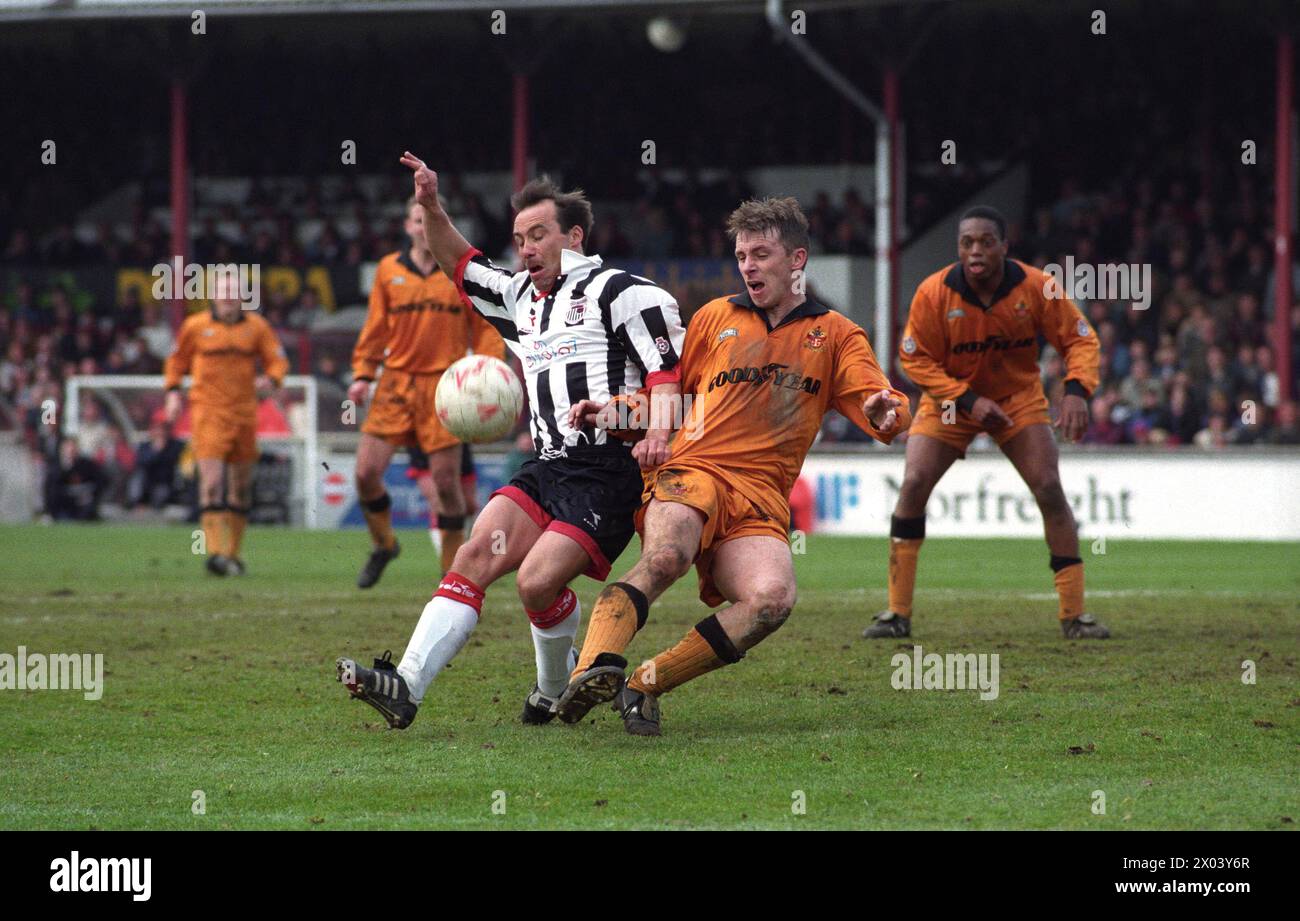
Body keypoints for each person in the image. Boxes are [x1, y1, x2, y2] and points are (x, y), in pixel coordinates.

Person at [335, 157, 686, 729]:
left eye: (538, 234)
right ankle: (407, 684)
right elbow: (460, 261)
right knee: (473, 554)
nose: (525, 248)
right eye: (519, 238)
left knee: (536, 582)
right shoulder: (520, 297)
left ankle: (552, 687)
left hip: (606, 472)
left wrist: (657, 432)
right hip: (546, 465)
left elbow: (666, 372)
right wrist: (429, 204)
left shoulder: (624, 293)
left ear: (574, 236)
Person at [555, 196, 909, 736]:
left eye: (760, 254)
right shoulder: (715, 318)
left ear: (797, 259)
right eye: (741, 255)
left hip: (761, 497)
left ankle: (647, 682)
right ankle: (590, 669)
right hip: (693, 471)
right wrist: (614, 411)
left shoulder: (837, 335)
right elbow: (673, 399)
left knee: (771, 600)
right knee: (667, 555)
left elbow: (881, 407)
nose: (747, 265)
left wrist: (888, 411)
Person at [863, 206, 1109, 641]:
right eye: (966, 243)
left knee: (1049, 489)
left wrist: (1076, 391)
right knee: (914, 482)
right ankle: (896, 613)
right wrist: (967, 400)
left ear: (1003, 247)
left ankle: (1075, 616)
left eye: (984, 241)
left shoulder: (1037, 287)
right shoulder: (933, 293)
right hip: (951, 402)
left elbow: (1080, 339)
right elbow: (914, 359)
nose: (975, 250)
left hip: (1017, 399)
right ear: (958, 249)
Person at [347, 196, 506, 587]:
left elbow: (485, 327)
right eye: (416, 221)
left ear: (440, 225)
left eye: (428, 220)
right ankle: (384, 544)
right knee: (365, 473)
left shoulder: (461, 272)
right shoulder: (388, 270)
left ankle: (452, 580)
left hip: (444, 388)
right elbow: (375, 328)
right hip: (395, 383)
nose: (422, 227)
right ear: (408, 226)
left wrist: (487, 370)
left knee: (447, 485)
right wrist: (363, 374)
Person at [163, 273, 289, 576]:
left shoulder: (257, 328)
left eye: (234, 292)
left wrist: (271, 379)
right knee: (212, 483)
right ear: (214, 296)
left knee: (241, 488)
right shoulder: (195, 326)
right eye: (224, 292)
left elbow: (277, 360)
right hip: (207, 413)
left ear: (243, 297)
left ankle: (232, 555)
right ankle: (216, 553)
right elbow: (176, 362)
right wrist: (172, 393)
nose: (229, 297)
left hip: (245, 414)